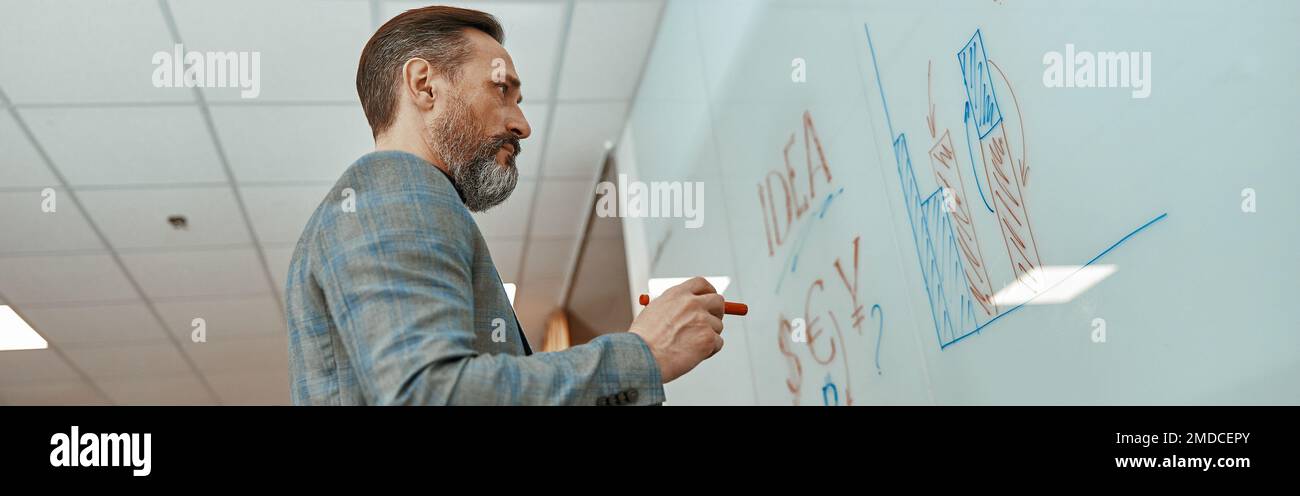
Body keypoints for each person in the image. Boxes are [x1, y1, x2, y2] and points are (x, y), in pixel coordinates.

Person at [285, 6, 724, 405]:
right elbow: (432, 394)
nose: (522, 124)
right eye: (502, 91)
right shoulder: (397, 188)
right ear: (424, 85)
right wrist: (643, 353)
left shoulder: (378, 200)